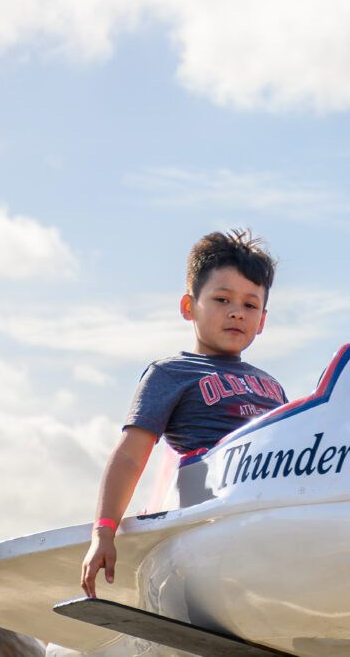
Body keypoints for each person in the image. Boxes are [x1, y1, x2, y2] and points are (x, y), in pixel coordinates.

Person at [79, 229, 287, 598]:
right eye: (222, 299)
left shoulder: (271, 385)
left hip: (268, 524)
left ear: (263, 320)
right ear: (189, 307)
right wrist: (104, 531)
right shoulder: (171, 373)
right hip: (208, 526)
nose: (237, 312)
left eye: (250, 305)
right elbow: (130, 456)